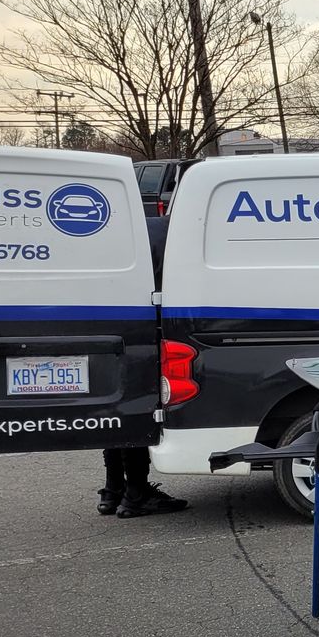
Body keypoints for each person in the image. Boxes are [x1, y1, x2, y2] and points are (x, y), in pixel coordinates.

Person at [98, 212, 189, 519]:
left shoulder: (135, 226)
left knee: (119, 410)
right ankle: (136, 492)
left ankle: (114, 490)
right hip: (144, 326)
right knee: (138, 408)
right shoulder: (173, 232)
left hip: (110, 323)